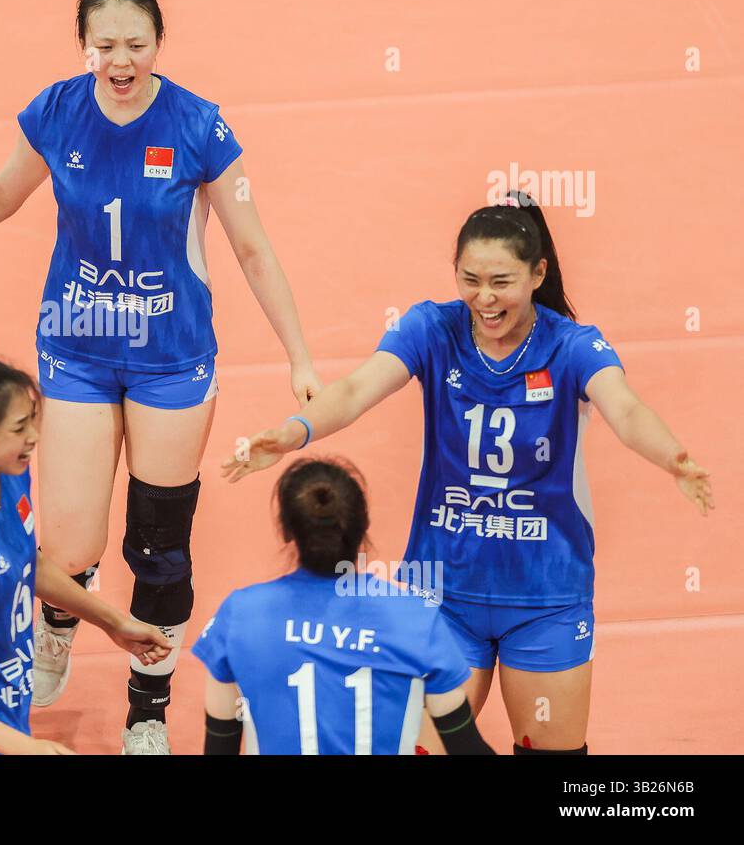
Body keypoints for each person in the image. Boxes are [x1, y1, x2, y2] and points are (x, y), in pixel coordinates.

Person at [0, 0, 321, 754]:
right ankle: (57, 627)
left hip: (172, 359)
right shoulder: (57, 111)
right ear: (82, 44)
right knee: (72, 545)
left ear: (161, 42)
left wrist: (299, 357)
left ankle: (148, 708)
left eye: (136, 44)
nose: (120, 61)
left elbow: (251, 246)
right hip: (77, 351)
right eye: (104, 45)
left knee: (159, 543)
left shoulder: (198, 125)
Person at [222, 191, 714, 753]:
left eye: (501, 281)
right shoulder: (433, 329)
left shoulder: (573, 347)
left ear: (538, 273)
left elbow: (625, 410)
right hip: (442, 593)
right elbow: (357, 389)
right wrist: (294, 431)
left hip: (546, 595)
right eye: (470, 279)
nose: (484, 298)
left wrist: (672, 457)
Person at [0, 358, 171, 754]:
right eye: (18, 428)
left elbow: (25, 561)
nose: (33, 437)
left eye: (32, 420)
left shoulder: (5, 473)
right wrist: (26, 749)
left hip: (7, 715)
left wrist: (112, 622)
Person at [193, 457, 493, 754]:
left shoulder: (241, 614)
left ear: (286, 531)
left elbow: (220, 742)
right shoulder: (414, 618)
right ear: (363, 529)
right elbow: (465, 745)